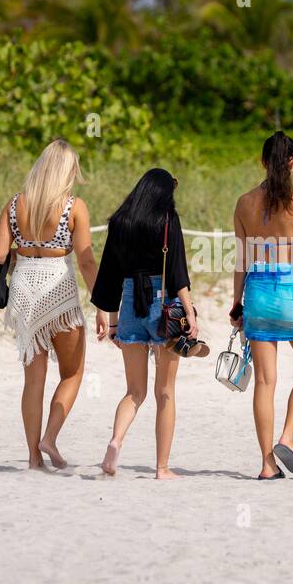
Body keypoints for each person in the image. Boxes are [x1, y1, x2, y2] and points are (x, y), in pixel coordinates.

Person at [0, 138, 98, 471]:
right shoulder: (73, 206)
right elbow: (86, 262)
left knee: (32, 380)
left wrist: (18, 249)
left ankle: (34, 458)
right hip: (59, 291)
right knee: (73, 372)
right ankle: (50, 437)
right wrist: (103, 304)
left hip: (24, 290)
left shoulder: (13, 205)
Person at [231, 132, 293, 480]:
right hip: (292, 294)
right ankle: (287, 437)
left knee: (264, 383)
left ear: (262, 162)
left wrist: (236, 304)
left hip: (257, 294)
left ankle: (266, 464)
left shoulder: (244, 203)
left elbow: (241, 261)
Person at [91, 169, 197, 480]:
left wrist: (112, 324)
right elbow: (177, 270)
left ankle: (115, 440)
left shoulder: (120, 222)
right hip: (162, 306)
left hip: (129, 305)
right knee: (165, 392)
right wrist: (189, 312)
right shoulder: (167, 219)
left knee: (134, 391)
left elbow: (108, 274)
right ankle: (162, 468)